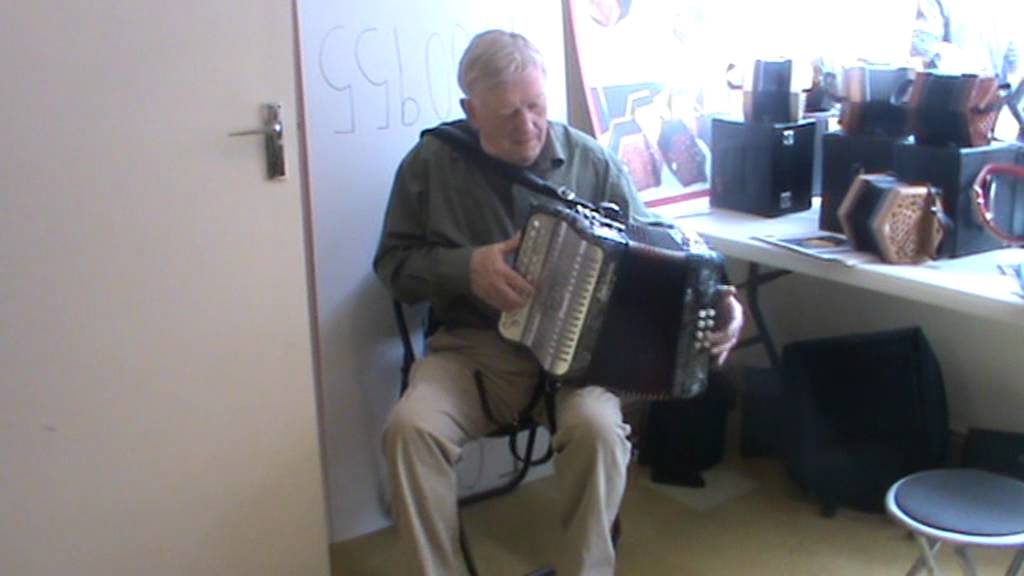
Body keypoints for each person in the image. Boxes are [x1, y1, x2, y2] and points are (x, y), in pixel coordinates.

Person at [373, 29, 743, 576]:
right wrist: (465, 267)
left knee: (598, 431)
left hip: (580, 364)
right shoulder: (430, 164)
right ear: (470, 111)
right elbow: (393, 269)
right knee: (410, 429)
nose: (526, 126)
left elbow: (663, 241)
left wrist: (720, 297)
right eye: (506, 115)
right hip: (475, 354)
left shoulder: (589, 161)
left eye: (535, 106)